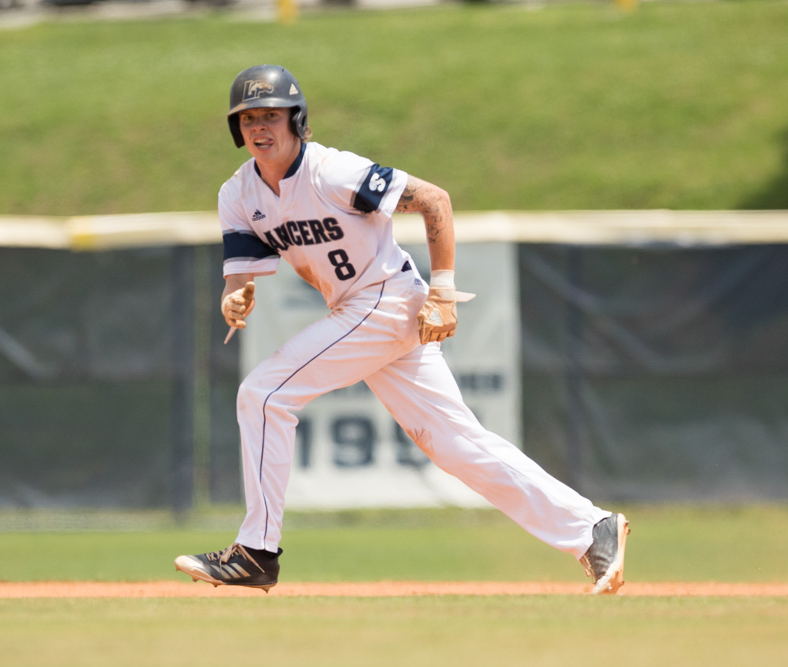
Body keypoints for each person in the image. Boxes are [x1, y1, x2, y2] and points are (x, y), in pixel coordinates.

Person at [174, 65, 629, 594]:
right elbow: (240, 275)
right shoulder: (239, 193)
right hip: (360, 308)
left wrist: (442, 291)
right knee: (457, 445)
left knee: (264, 393)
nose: (259, 126)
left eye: (271, 114)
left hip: (386, 298)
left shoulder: (333, 173)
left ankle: (256, 552)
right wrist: (236, 295)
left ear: (296, 120)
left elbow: (435, 199)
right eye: (248, 117)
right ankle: (591, 529)